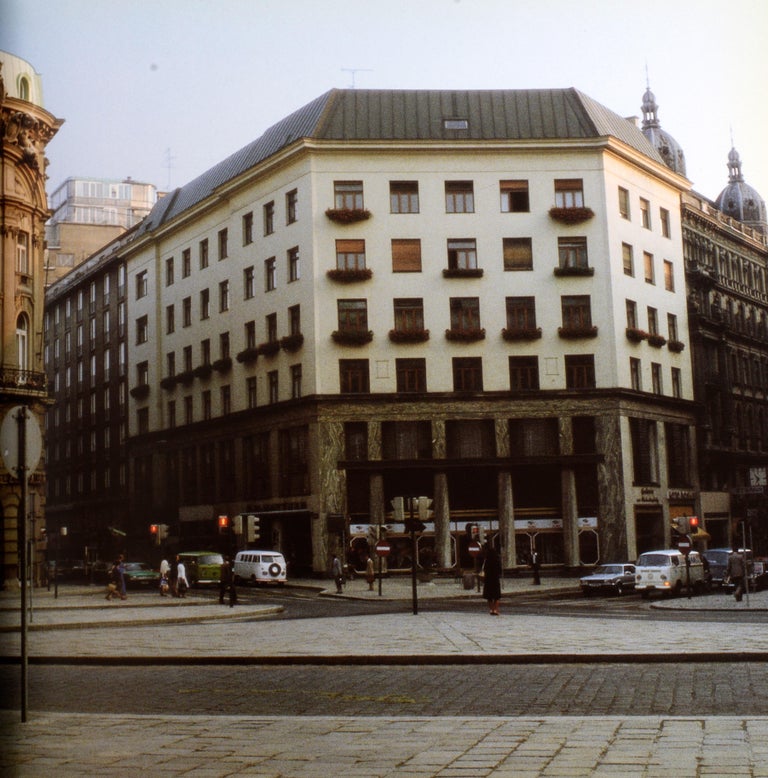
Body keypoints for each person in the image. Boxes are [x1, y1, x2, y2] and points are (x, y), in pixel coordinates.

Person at [482, 542, 502, 615]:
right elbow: (499, 570)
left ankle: (491, 609)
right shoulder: (497, 560)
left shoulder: (487, 560)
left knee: (489, 597)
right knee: (496, 596)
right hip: (495, 580)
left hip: (488, 580)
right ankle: (496, 610)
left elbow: (484, 569)